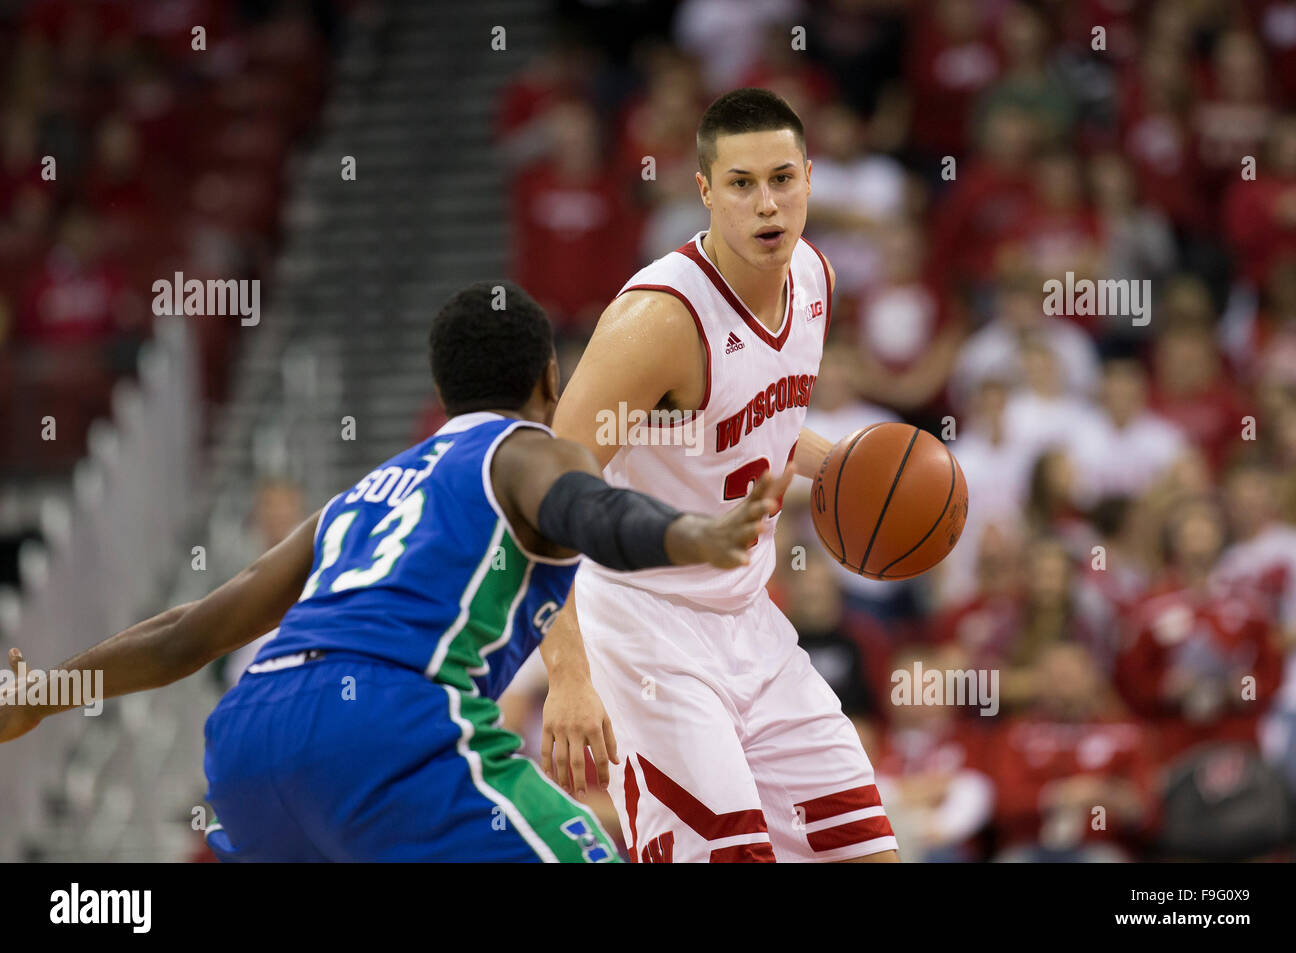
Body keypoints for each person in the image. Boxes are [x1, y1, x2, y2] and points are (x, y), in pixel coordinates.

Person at [0, 281, 788, 862]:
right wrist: (694, 534)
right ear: (552, 379)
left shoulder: (361, 494)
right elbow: (594, 510)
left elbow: (191, 630)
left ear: (440, 392)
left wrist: (47, 691)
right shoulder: (526, 449)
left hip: (250, 740)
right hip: (386, 720)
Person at [547, 87, 900, 862]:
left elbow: (748, 423)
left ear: (810, 177)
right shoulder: (658, 322)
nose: (767, 203)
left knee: (867, 851)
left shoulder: (814, 279)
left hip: (750, 616)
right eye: (741, 184)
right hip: (646, 625)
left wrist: (838, 465)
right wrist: (568, 673)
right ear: (705, 191)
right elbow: (541, 491)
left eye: (782, 178)